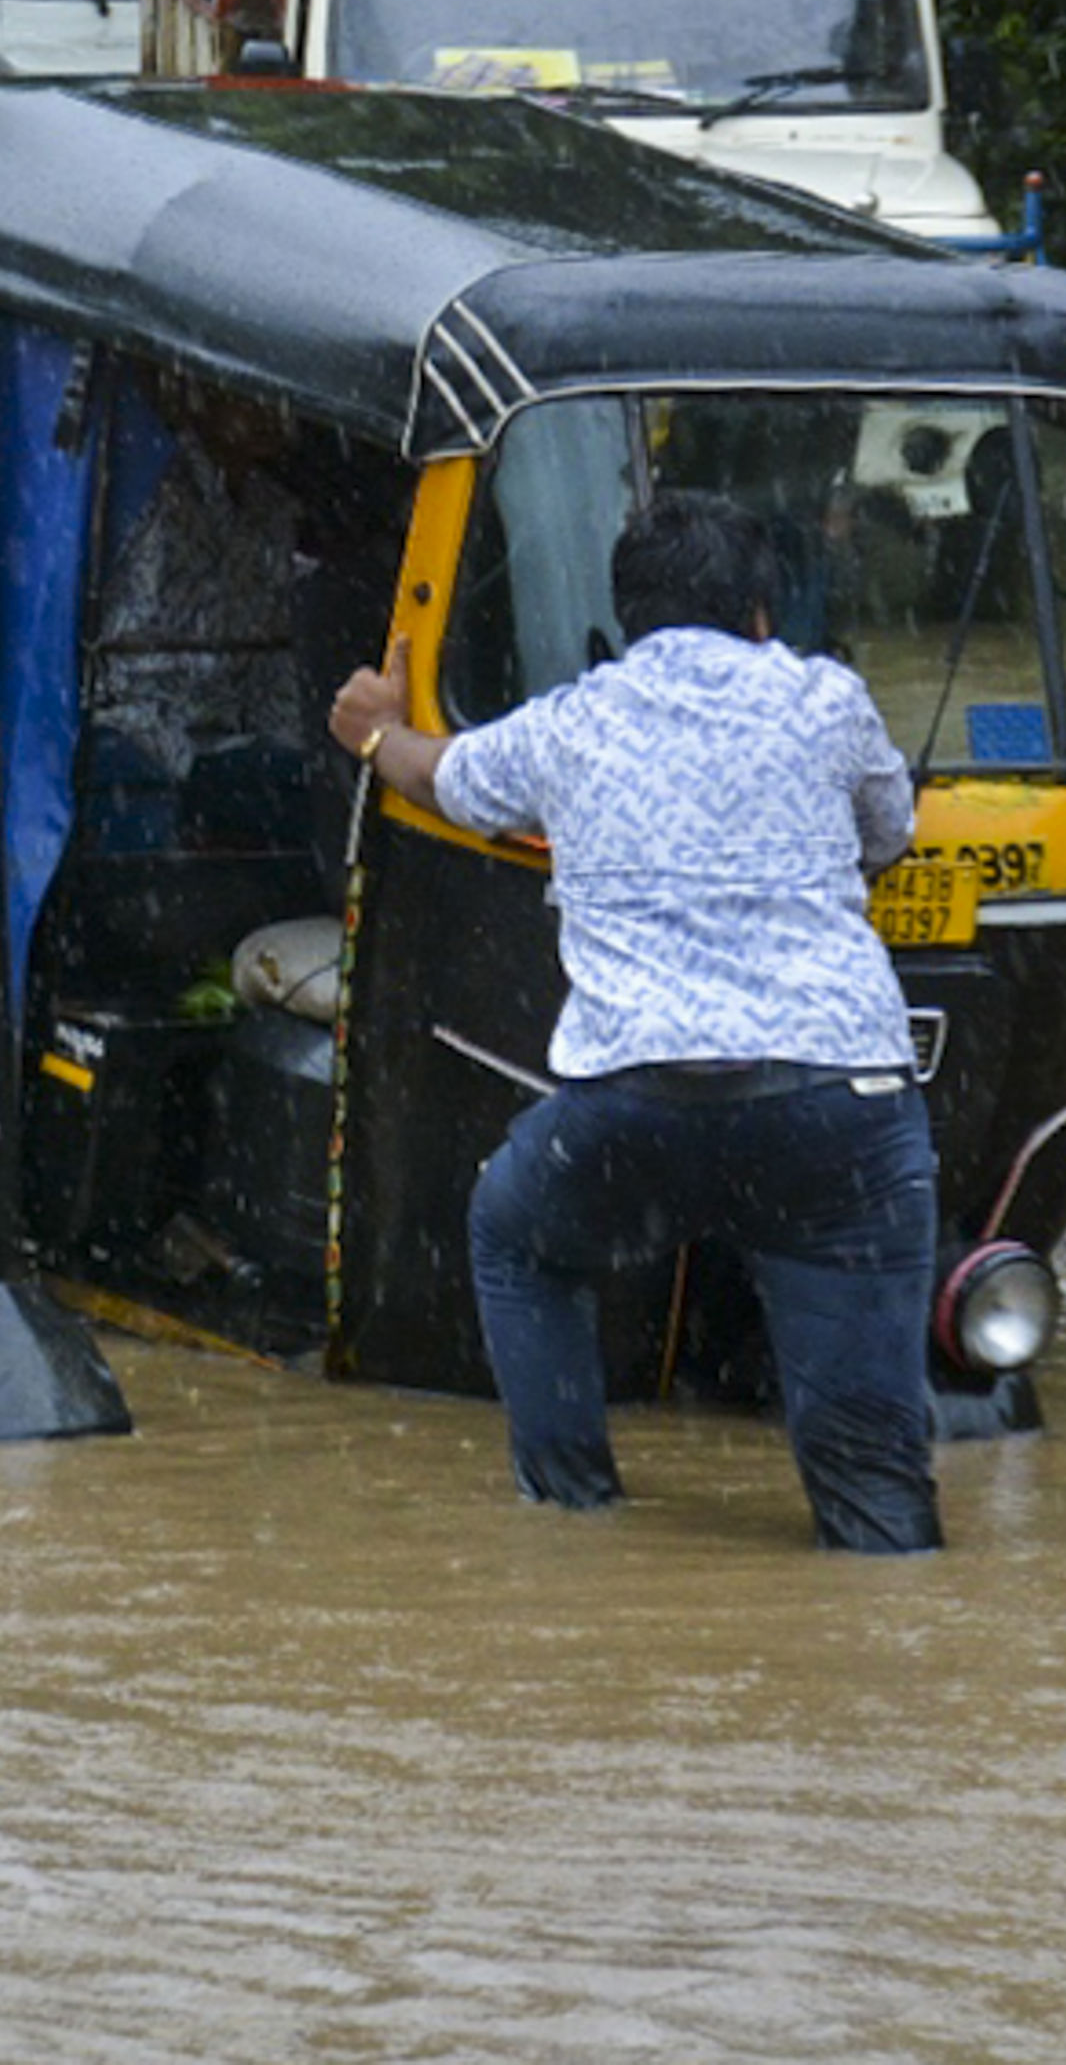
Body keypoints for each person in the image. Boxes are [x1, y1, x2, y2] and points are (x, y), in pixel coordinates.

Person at [328, 490, 939, 1554]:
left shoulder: (570, 723)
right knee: (876, 1486)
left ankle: (575, 1526)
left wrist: (375, 731)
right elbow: (887, 834)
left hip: (634, 1108)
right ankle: (884, 1558)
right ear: (761, 612)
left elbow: (441, 778)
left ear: (627, 617)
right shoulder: (826, 700)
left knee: (513, 1234)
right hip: (838, 1106)